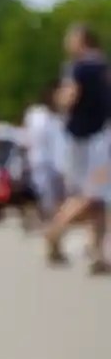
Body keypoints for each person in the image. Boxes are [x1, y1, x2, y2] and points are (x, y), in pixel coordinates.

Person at [44, 24, 111, 273]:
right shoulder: (101, 67)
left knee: (95, 198)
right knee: (94, 196)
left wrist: (60, 101)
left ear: (82, 41)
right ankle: (57, 233)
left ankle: (96, 254)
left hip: (83, 141)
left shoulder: (79, 67)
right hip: (98, 140)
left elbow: (69, 97)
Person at [23, 79, 67, 225]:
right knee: (45, 198)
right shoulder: (36, 114)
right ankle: (50, 224)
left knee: (60, 200)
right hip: (39, 162)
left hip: (60, 164)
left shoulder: (63, 117)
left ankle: (54, 225)